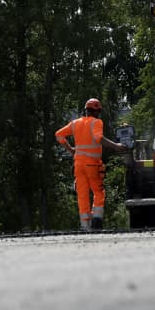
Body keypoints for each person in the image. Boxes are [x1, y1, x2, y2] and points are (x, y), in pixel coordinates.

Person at [56, 98, 127, 231]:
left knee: (82, 195)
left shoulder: (75, 123)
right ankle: (97, 221)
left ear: (86, 110)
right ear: (97, 111)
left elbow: (59, 135)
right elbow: (98, 138)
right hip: (92, 165)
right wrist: (116, 146)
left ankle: (85, 226)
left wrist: (71, 149)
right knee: (98, 192)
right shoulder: (97, 122)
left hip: (78, 165)